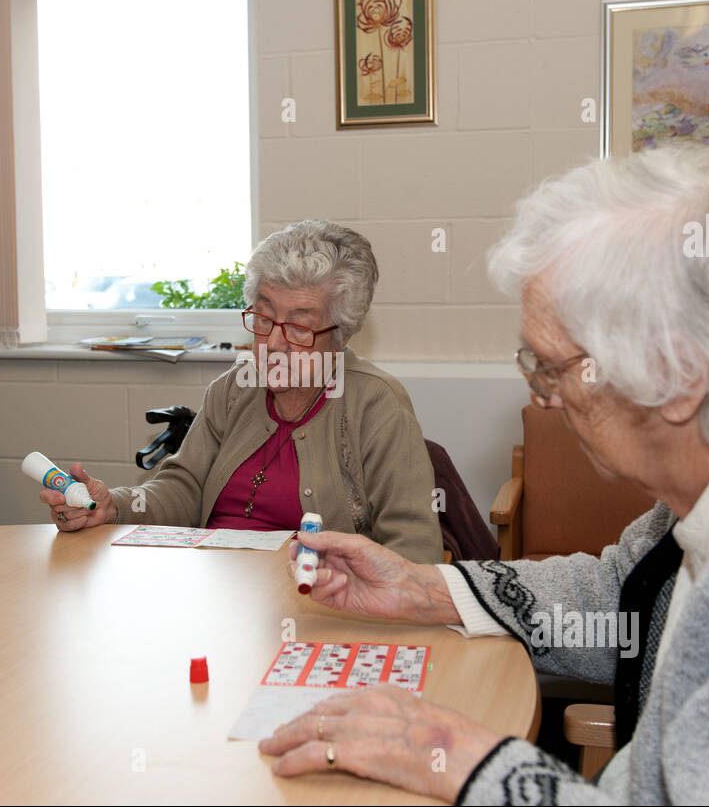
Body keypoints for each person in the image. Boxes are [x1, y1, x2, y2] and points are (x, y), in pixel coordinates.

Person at [258, 147, 709, 804]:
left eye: (550, 366)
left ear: (676, 377)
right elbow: (627, 595)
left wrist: (469, 761)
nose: (540, 399)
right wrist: (424, 587)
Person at [39, 220, 444, 563]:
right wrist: (114, 506)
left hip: (313, 606)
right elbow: (184, 488)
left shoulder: (377, 404)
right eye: (264, 318)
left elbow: (413, 547)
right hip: (217, 591)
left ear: (342, 332)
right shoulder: (235, 388)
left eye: (300, 327)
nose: (275, 343)